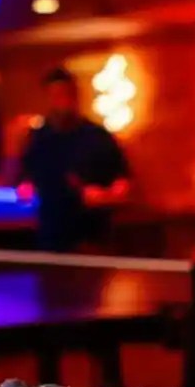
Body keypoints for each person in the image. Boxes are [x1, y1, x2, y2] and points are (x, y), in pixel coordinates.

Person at [17, 68, 132, 252]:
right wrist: (26, 188)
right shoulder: (38, 140)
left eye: (66, 94)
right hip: (51, 238)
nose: (62, 101)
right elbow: (25, 179)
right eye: (55, 95)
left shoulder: (98, 137)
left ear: (75, 96)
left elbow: (123, 181)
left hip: (94, 237)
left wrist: (106, 196)